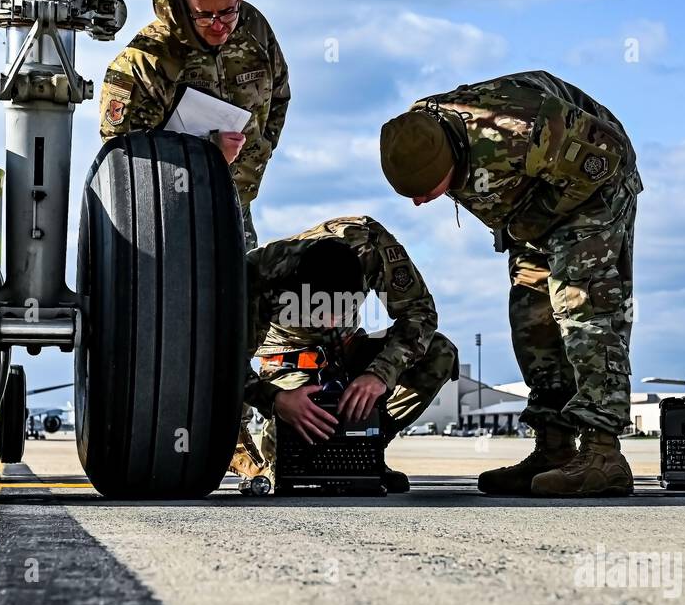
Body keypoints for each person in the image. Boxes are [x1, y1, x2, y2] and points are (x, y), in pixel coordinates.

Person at [378, 71, 642, 497]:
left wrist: (537, 218)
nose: (420, 202)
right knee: (530, 318)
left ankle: (603, 453)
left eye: (429, 191)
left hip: (594, 189)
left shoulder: (516, 127)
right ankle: (554, 447)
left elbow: (604, 157)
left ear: (451, 160)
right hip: (531, 209)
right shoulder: (415, 133)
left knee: (582, 307)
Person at [98, 0, 290, 249]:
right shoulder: (146, 62)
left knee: (238, 294)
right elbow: (121, 156)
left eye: (228, 12)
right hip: (164, 224)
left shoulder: (254, 29)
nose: (219, 26)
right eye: (205, 16)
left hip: (235, 209)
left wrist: (258, 150)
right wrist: (206, 156)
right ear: (181, 8)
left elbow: (278, 95)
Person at [243, 217, 457, 492]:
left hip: (347, 351)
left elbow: (419, 313)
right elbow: (225, 365)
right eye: (321, 314)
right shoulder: (260, 274)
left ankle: (366, 453)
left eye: (342, 310)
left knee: (440, 352)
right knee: (295, 465)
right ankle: (295, 453)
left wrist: (380, 373)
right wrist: (275, 399)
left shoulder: (370, 247)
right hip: (289, 361)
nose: (332, 322)